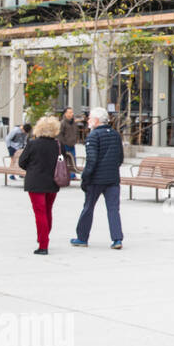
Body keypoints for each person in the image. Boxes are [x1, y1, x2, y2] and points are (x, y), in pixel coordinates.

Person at [71, 106, 125, 250]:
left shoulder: (93, 136)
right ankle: (117, 239)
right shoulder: (115, 134)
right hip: (112, 178)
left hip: (96, 179)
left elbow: (91, 160)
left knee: (88, 207)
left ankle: (82, 237)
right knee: (113, 209)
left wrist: (85, 178)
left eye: (89, 118)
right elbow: (120, 158)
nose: (88, 120)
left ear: (95, 120)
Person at [17, 116, 63, 255]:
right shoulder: (58, 145)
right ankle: (44, 237)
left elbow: (22, 162)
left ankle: (43, 244)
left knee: (40, 213)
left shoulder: (32, 144)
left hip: (35, 182)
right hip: (53, 182)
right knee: (48, 210)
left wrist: (32, 168)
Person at [58, 107, 80, 180]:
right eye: (70, 112)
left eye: (72, 112)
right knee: (63, 160)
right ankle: (63, 175)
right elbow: (60, 134)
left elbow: (76, 132)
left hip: (72, 144)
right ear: (65, 114)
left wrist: (76, 139)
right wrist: (63, 143)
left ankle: (72, 175)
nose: (72, 114)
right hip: (65, 145)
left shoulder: (74, 122)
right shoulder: (63, 123)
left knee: (73, 160)